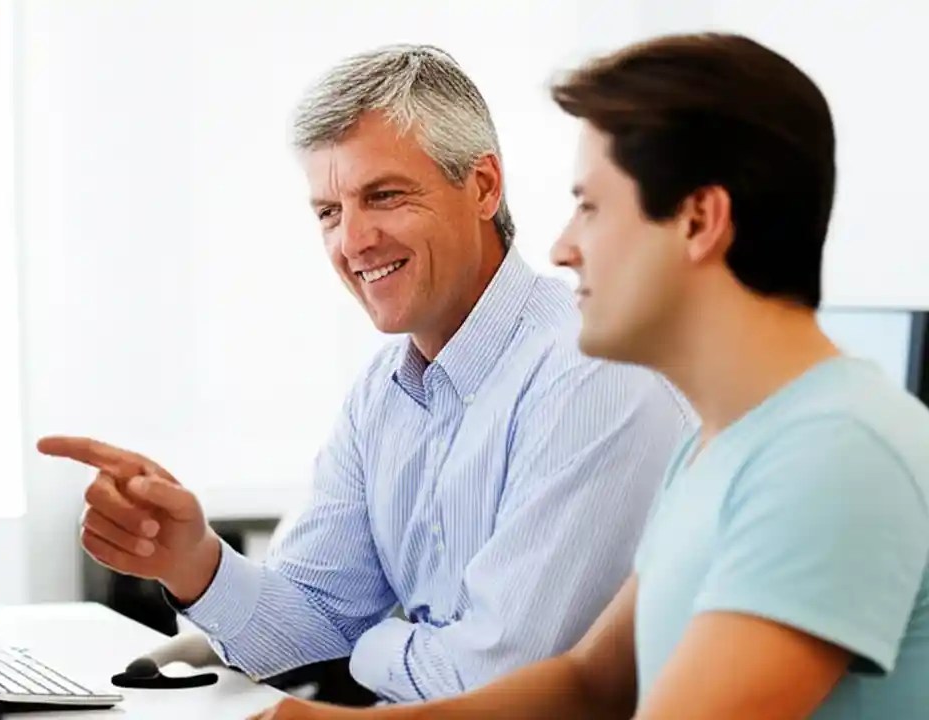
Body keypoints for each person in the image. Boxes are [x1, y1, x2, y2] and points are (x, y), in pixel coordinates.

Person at [252, 31, 929, 720]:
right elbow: (586, 684)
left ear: (698, 221)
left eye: (592, 206)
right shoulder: (717, 450)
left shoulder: (834, 452)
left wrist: (359, 651)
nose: (563, 246)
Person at [38, 44, 690, 703]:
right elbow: (313, 621)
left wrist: (371, 645)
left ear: (485, 187)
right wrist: (193, 561)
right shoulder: (385, 392)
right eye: (329, 211)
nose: (352, 242)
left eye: (384, 196)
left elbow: (497, 684)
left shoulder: (591, 373)